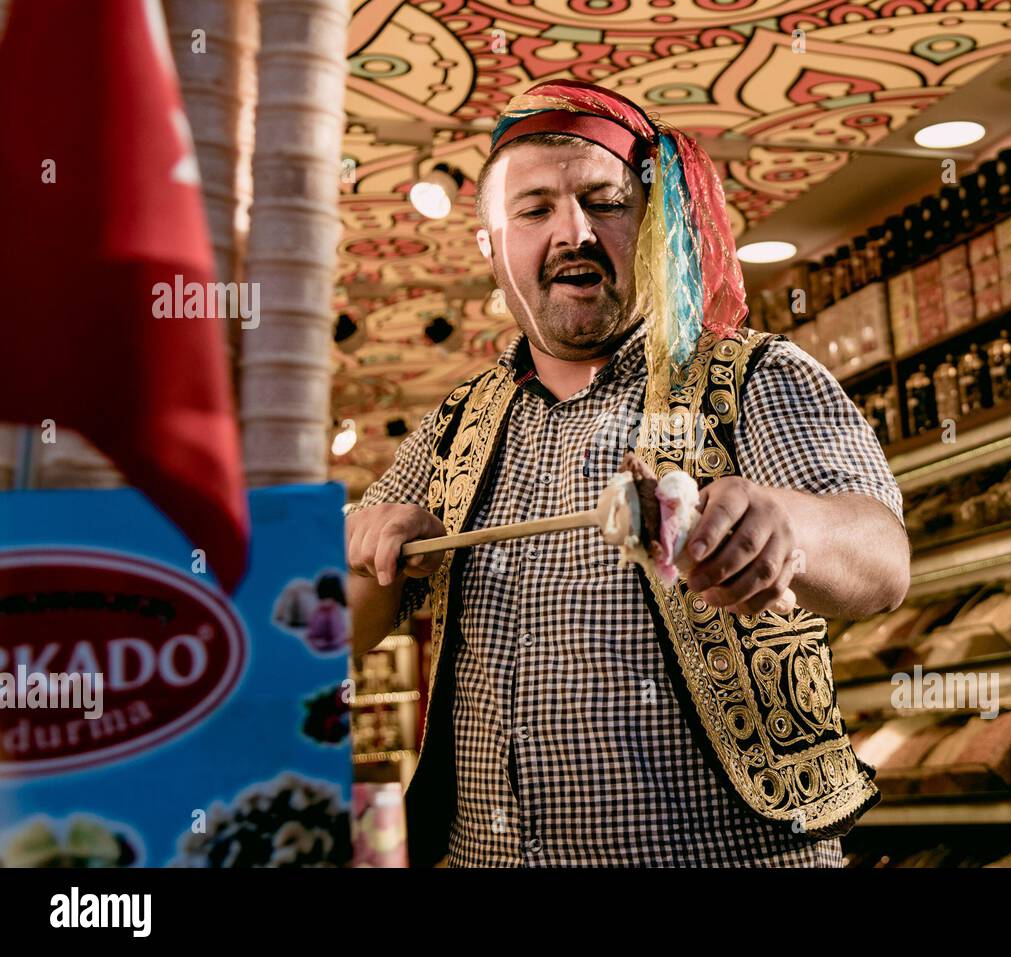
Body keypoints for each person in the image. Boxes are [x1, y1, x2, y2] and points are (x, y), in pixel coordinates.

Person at [345, 79, 910, 867]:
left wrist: (790, 526)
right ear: (491, 246)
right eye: (535, 209)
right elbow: (330, 632)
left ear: (651, 225)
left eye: (604, 202)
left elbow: (883, 560)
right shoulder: (451, 425)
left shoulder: (755, 376)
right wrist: (372, 549)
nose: (573, 231)